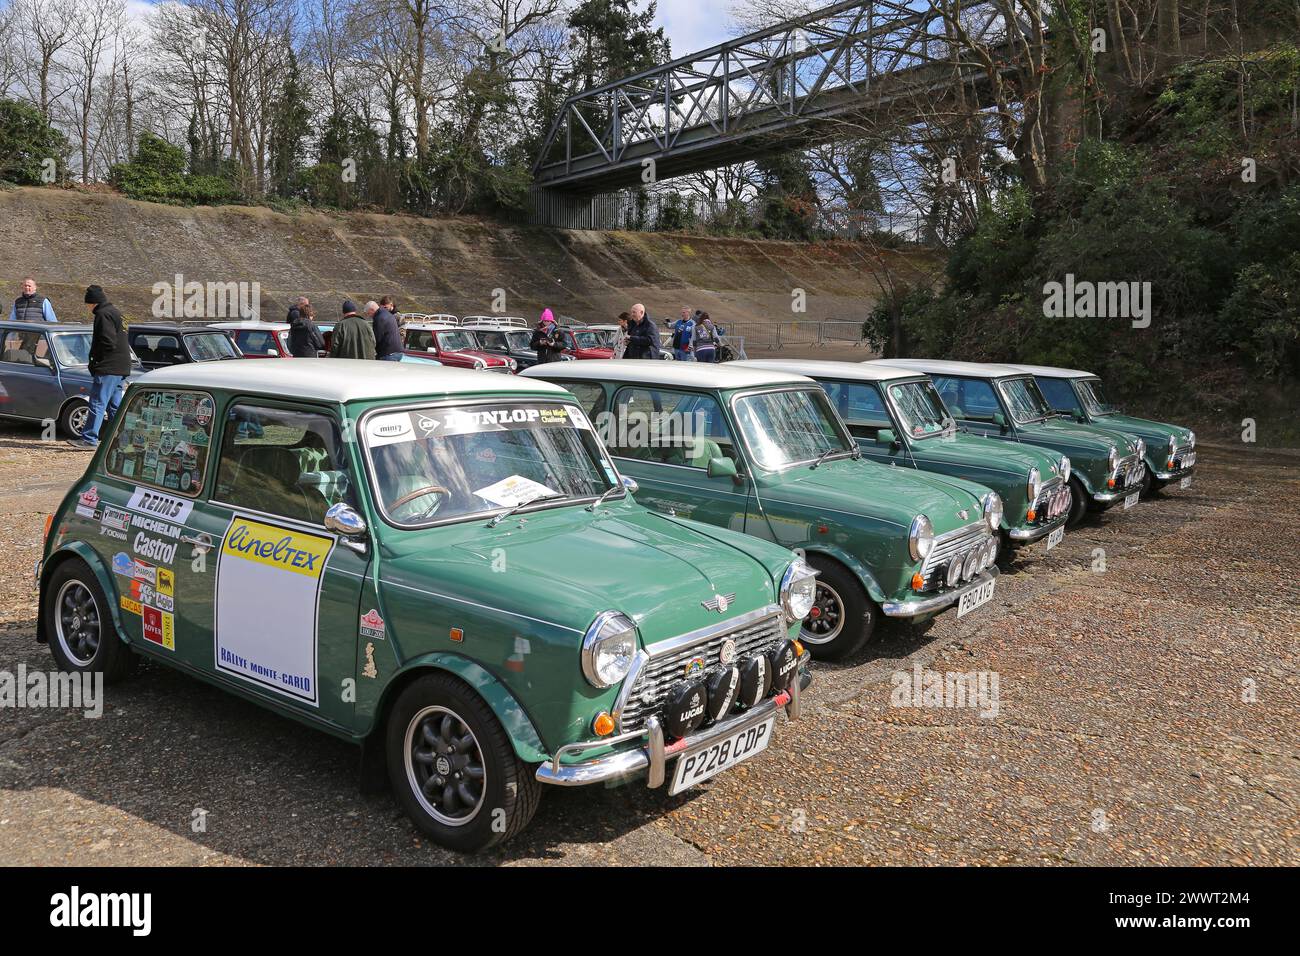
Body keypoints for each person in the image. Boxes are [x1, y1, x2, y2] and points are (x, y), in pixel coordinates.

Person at [67, 286, 129, 449]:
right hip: (121, 366)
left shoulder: (102, 314)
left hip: (108, 367)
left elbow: (107, 342)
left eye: (87, 304)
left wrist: (96, 361)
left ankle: (89, 439)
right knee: (115, 406)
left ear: (92, 302)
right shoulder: (115, 312)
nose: (87, 308)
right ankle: (122, 440)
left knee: (97, 403)